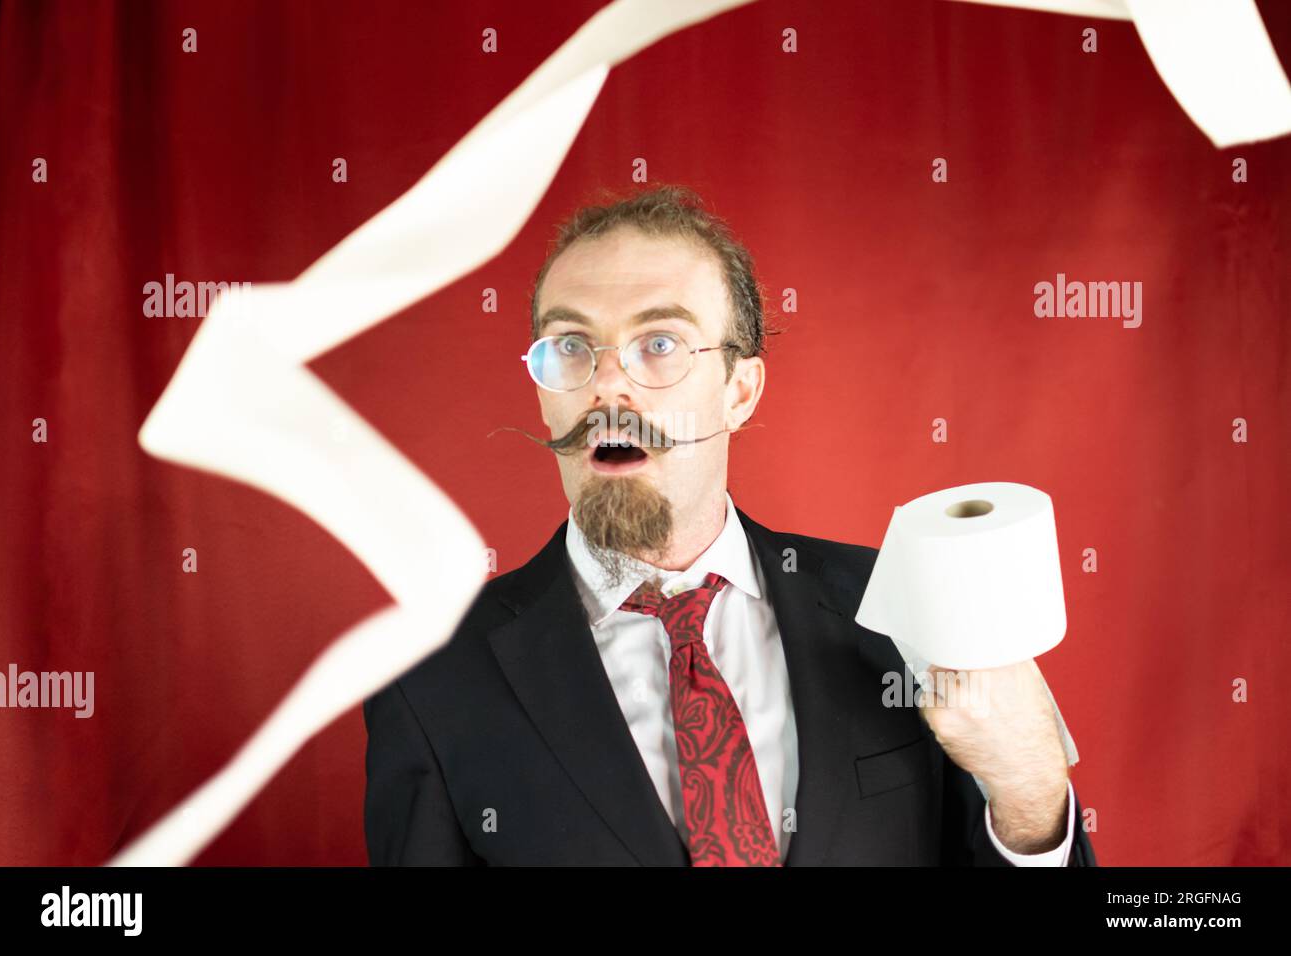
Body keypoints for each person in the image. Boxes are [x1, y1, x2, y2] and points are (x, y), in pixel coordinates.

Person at [362, 184, 1095, 866]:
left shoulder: (897, 607)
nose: (607, 383)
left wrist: (1031, 794)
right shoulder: (428, 674)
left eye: (659, 344)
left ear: (740, 390)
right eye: (572, 349)